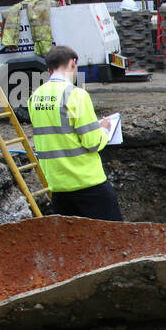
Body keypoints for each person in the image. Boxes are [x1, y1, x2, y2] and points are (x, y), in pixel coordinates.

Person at [26, 44, 123, 220]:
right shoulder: (76, 95)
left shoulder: (35, 97)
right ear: (73, 63)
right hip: (87, 182)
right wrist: (103, 129)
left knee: (73, 243)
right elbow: (92, 142)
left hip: (57, 185)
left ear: (49, 70)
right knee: (111, 239)